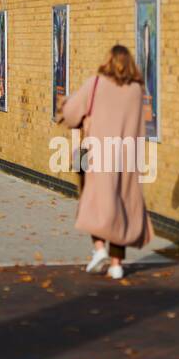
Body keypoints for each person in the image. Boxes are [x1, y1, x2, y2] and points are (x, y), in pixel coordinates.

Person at [60, 44, 153, 280]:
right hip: (127, 157)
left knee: (93, 201)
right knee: (122, 205)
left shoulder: (97, 83)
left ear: (109, 61)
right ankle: (116, 264)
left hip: (97, 153)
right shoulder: (136, 89)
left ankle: (99, 248)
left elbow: (71, 113)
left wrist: (67, 106)